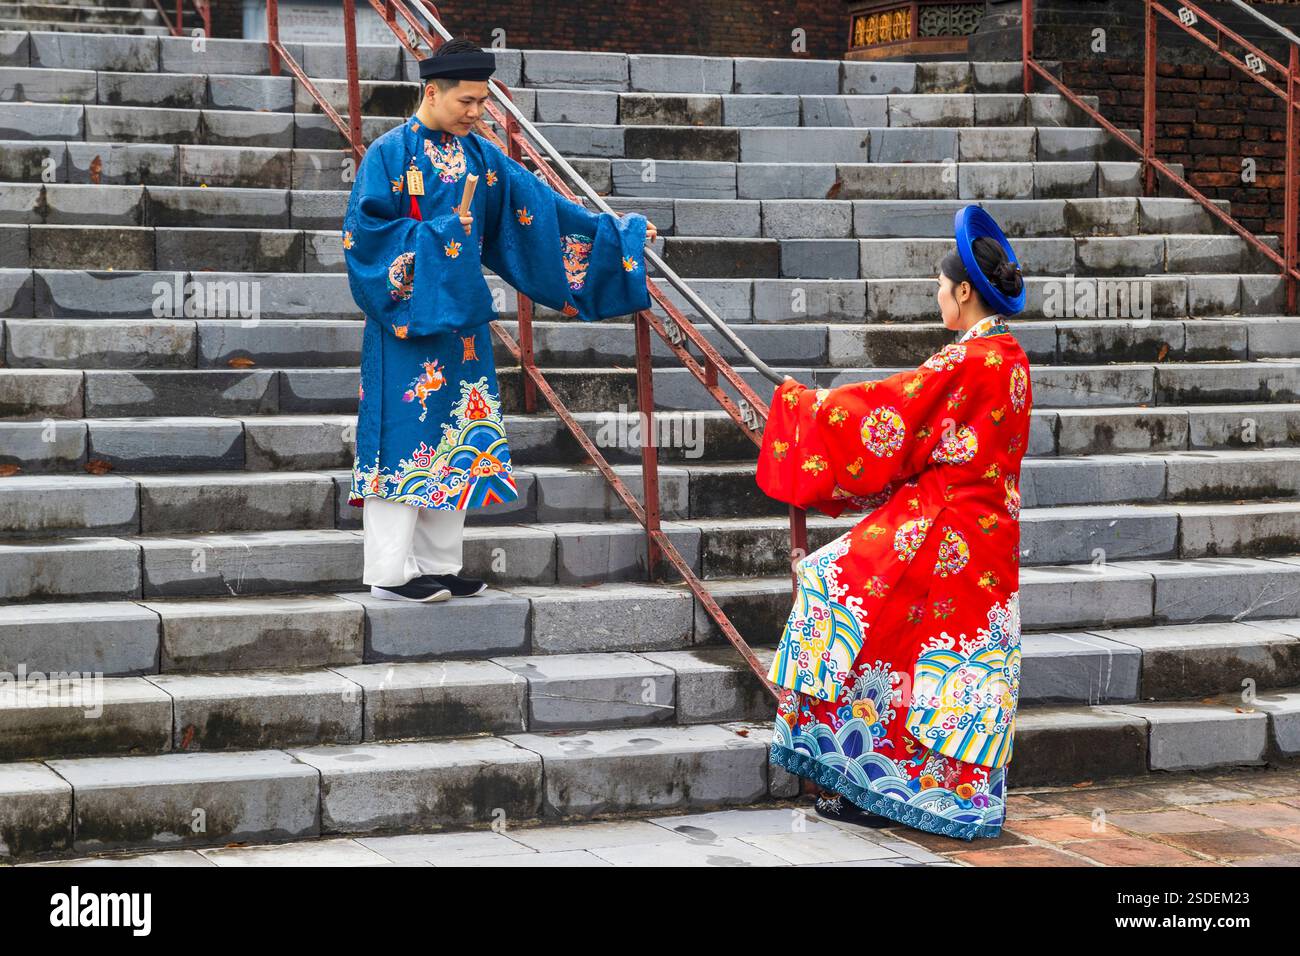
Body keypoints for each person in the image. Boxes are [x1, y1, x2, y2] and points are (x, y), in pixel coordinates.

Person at [342, 38, 657, 602]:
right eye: (466, 100)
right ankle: (389, 574)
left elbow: (544, 214)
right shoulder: (387, 155)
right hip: (406, 328)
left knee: (458, 439)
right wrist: (440, 238)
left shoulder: (483, 157)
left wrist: (619, 236)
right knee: (403, 443)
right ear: (431, 92)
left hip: (462, 325)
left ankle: (438, 564)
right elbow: (364, 244)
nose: (476, 112)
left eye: (482, 101)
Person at [755, 205, 1033, 840]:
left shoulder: (969, 361)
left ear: (964, 291)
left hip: (944, 526)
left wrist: (806, 406)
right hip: (988, 534)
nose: (937, 296)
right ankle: (943, 797)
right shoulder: (1009, 357)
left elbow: (891, 413)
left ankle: (862, 774)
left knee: (834, 584)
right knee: (957, 666)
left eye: (940, 286)